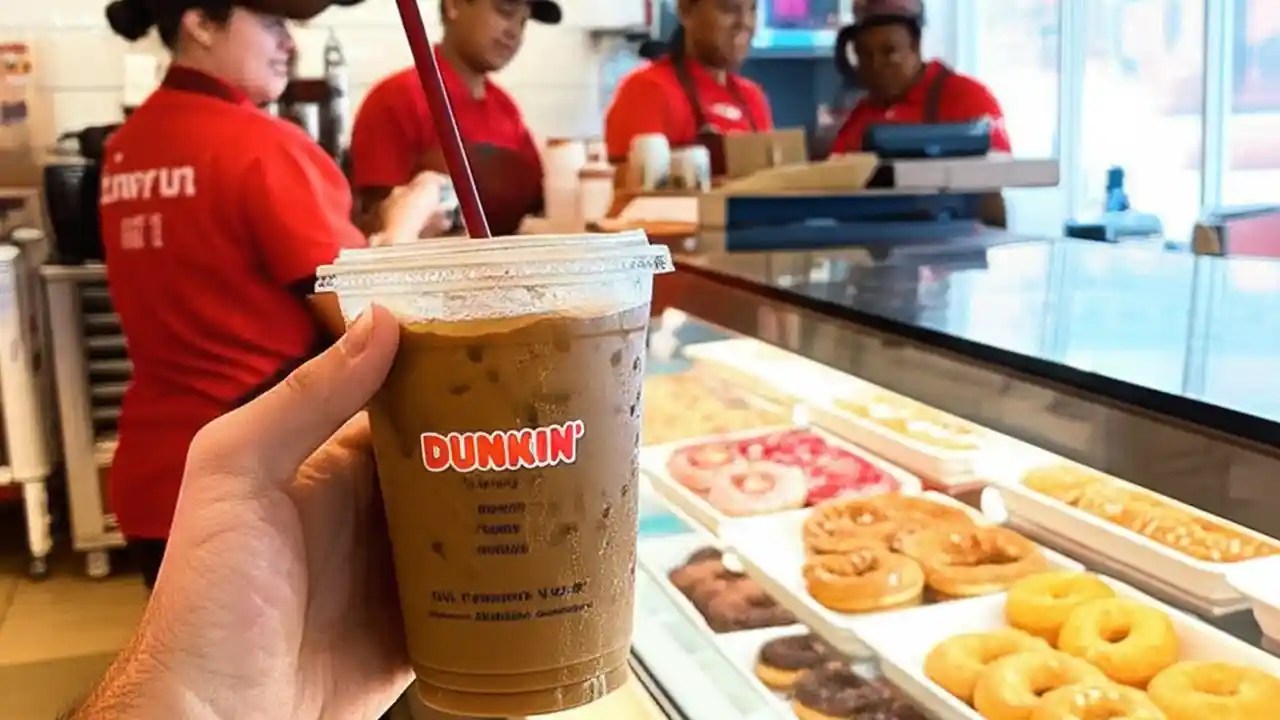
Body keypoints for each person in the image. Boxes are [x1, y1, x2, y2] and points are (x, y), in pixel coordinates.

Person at [99, 0, 451, 590]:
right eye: (269, 22)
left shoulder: (126, 149)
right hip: (259, 478)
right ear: (200, 22)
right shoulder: (262, 146)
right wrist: (404, 226)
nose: (289, 43)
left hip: (157, 477)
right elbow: (367, 323)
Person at [70, 307, 409, 719]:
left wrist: (198, 701)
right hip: (266, 485)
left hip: (168, 466)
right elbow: (368, 318)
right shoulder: (293, 235)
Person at [350, 0, 560, 236]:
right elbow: (373, 221)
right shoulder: (397, 98)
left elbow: (538, 205)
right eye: (505, 11)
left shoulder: (507, 110)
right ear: (454, 5)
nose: (514, 31)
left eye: (523, 22)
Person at [604, 0, 773, 167]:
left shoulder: (752, 97)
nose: (745, 22)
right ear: (686, 11)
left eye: (752, 9)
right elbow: (628, 188)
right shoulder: (646, 91)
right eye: (729, 9)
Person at [829, 0, 1011, 155]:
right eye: (866, 55)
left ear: (915, 46)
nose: (876, 66)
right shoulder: (861, 114)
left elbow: (995, 180)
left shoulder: (967, 97)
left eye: (889, 52)